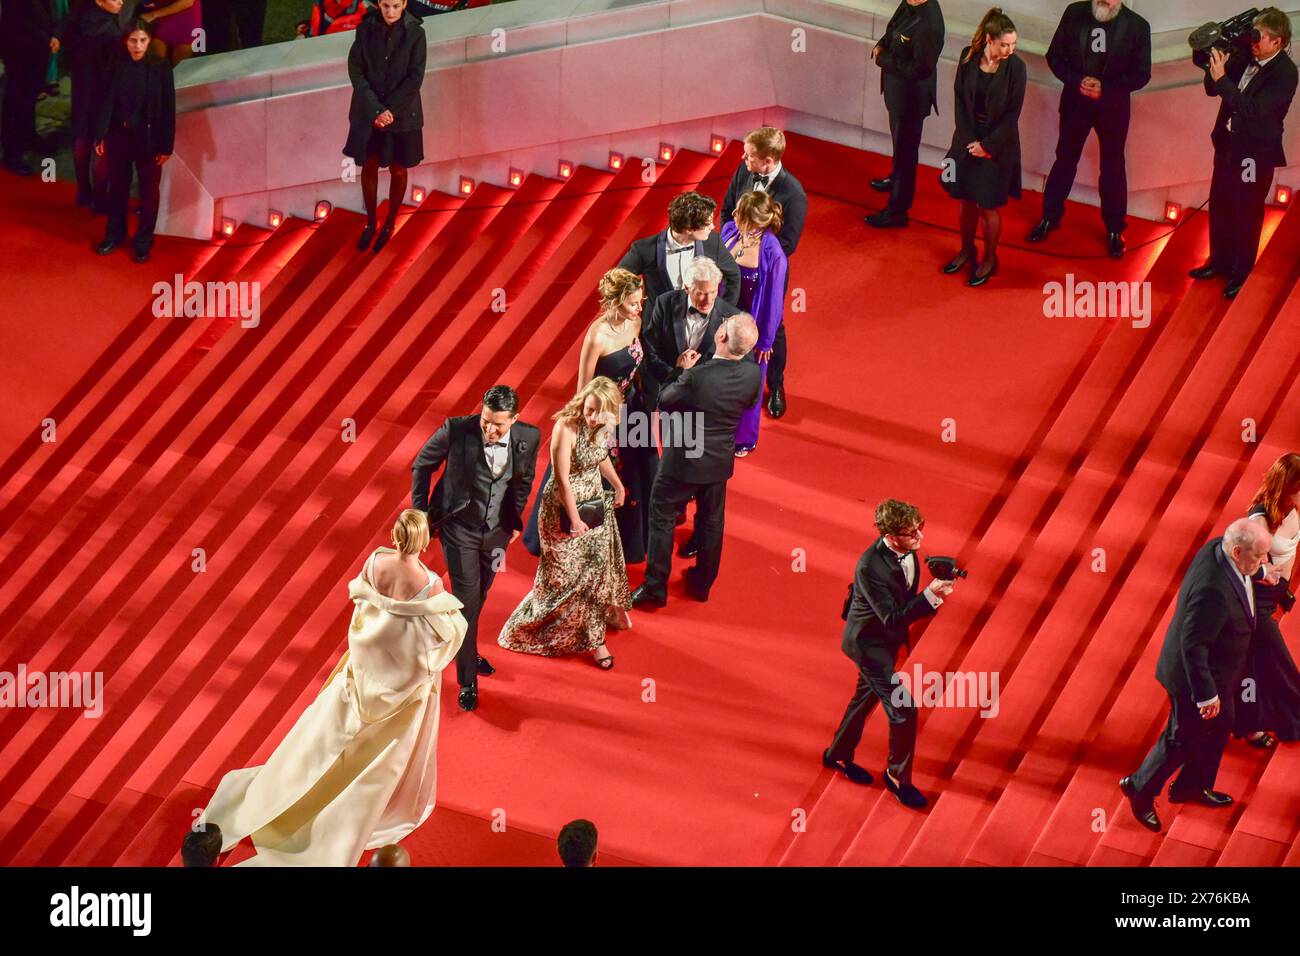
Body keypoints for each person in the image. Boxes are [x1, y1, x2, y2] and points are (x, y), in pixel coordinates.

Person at [201, 510, 468, 865]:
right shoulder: (429, 584)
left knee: (323, 735)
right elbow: (448, 633)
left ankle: (283, 796)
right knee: (385, 748)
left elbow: (362, 604)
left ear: (395, 534)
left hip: (364, 667)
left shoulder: (376, 561)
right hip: (398, 679)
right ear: (424, 540)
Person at [1120, 519, 1273, 833]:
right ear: (1237, 550)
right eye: (1258, 558)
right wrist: (1206, 696)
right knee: (1181, 737)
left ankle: (1192, 785)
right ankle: (1140, 788)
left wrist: (1258, 573)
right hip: (1195, 679)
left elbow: (1243, 568)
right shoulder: (1212, 592)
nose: (1261, 563)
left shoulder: (1218, 548)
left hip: (1220, 672)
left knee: (1221, 724)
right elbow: (1193, 645)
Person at [411, 385, 541, 712]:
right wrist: (422, 514)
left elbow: (523, 481)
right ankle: (467, 680)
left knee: (479, 596)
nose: (490, 429)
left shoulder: (529, 437)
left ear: (515, 419)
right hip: (459, 529)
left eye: (498, 424)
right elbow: (422, 464)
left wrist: (512, 521)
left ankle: (461, 647)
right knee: (468, 602)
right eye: (486, 420)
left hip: (496, 535)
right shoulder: (456, 430)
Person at [824, 500, 954, 810]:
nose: (920, 539)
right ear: (890, 534)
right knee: (904, 709)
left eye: (920, 530)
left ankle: (836, 754)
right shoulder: (870, 566)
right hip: (868, 646)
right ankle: (897, 778)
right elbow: (892, 617)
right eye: (912, 534)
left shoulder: (908, 551)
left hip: (883, 642)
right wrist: (930, 597)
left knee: (864, 698)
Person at [524, 269, 657, 564]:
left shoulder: (635, 322)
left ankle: (630, 538)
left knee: (638, 470)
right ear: (615, 301)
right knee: (593, 473)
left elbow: (635, 368)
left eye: (641, 302)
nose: (639, 308)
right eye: (633, 303)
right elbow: (584, 388)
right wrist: (589, 426)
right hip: (601, 415)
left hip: (629, 408)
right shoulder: (597, 336)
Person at [631, 314, 762, 607]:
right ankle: (702, 584)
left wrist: (680, 370)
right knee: (712, 522)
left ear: (721, 337)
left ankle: (655, 589)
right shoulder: (753, 374)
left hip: (683, 462)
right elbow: (750, 403)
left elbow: (663, 400)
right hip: (719, 462)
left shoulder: (696, 377)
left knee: (662, 517)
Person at [498, 378, 630, 668]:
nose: (593, 417)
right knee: (560, 578)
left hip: (594, 506)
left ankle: (596, 641)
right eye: (589, 409)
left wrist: (617, 485)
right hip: (562, 511)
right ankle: (528, 628)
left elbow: (600, 457)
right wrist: (574, 520)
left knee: (592, 573)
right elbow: (561, 479)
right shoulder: (566, 427)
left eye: (600, 412)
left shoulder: (605, 423)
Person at [1028, 0, 1151, 258]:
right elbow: (1054, 56)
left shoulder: (1138, 26)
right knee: (1065, 159)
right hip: (1076, 102)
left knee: (1113, 166)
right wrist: (1077, 81)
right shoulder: (1075, 12)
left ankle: (1115, 229)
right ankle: (1050, 217)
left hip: (1112, 109)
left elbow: (1142, 74)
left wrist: (1105, 88)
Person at [1190, 8, 1297, 300]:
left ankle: (1240, 274)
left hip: (1254, 154)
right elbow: (1215, 90)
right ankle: (1218, 261)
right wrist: (1213, 67)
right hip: (1227, 144)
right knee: (1221, 204)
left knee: (1246, 211)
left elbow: (1251, 111)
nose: (1252, 41)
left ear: (1277, 42)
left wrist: (1222, 79)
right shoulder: (1246, 55)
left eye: (1259, 36)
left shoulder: (1286, 73)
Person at [640, 257, 742, 560]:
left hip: (707, 413)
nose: (708, 299)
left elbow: (734, 372)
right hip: (673, 403)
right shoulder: (663, 304)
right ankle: (676, 507)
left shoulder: (730, 316)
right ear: (686, 288)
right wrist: (677, 372)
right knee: (673, 458)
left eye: (712, 292)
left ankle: (699, 534)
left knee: (704, 479)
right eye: (700, 293)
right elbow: (650, 348)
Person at [720, 127, 806, 420]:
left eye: (750, 157)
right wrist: (732, 247)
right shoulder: (743, 171)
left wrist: (756, 254)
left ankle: (776, 385)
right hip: (734, 264)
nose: (743, 160)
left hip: (766, 272)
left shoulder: (793, 192)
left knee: (772, 324)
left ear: (768, 161)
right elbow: (727, 210)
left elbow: (788, 243)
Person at [939, 8, 1024, 287]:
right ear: (989, 40)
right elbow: (960, 104)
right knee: (965, 198)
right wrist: (969, 143)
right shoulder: (968, 57)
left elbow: (1013, 115)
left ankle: (989, 258)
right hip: (968, 139)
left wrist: (987, 147)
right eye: (1004, 44)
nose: (1010, 50)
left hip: (998, 146)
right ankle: (966, 250)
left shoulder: (1016, 68)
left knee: (987, 204)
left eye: (1013, 44)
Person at [344, 0, 427, 254]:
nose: (390, 12)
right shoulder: (365, 29)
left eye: (395, 6)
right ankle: (371, 222)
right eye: (386, 6)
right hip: (370, 113)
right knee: (369, 165)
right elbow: (356, 71)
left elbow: (415, 77)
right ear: (379, 4)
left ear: (403, 4)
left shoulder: (416, 33)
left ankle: (390, 223)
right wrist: (377, 110)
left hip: (401, 115)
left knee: (399, 169)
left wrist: (390, 111)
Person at [93, 19, 175, 265]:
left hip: (148, 139)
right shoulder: (116, 63)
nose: (137, 46)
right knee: (117, 187)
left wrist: (166, 145)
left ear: (149, 41)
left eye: (142, 40)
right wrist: (101, 134)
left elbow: (169, 108)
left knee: (149, 192)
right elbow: (106, 101)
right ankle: (114, 234)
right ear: (125, 41)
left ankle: (143, 242)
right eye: (132, 40)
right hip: (119, 135)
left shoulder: (160, 67)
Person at [1234, 452, 1300, 747]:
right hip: (1254, 601)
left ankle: (1251, 724)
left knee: (1256, 663)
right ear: (1289, 486)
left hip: (1273, 594)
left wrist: (1284, 588)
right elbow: (1244, 565)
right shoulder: (1260, 519)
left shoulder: (1294, 507)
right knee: (1277, 661)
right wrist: (1268, 575)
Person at [866, 0, 945, 228]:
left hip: (911, 99)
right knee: (900, 146)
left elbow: (919, 70)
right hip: (898, 93)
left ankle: (898, 211)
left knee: (906, 153)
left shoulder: (930, 24)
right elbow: (893, 30)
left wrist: (882, 58)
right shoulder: (911, 2)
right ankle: (896, 180)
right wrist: (881, 45)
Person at [720, 191, 786, 456]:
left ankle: (744, 437)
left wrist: (766, 340)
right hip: (723, 318)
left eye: (740, 214)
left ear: (755, 221)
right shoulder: (728, 231)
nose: (733, 216)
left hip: (751, 323)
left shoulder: (773, 251)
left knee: (749, 382)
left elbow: (774, 300)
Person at [617, 190, 741, 306]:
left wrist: (723, 311)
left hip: (700, 324)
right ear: (688, 229)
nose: (713, 227)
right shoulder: (644, 249)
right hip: (657, 325)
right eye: (707, 224)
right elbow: (617, 281)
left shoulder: (713, 242)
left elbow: (733, 276)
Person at [65, 0, 123, 212]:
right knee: (102, 145)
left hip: (82, 90)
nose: (121, 1)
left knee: (81, 139)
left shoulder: (79, 20)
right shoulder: (111, 32)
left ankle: (83, 192)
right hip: (104, 94)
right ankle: (99, 200)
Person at [0, 0, 61, 176]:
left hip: (41, 43)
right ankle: (12, 152)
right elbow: (17, 18)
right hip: (20, 44)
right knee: (16, 99)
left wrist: (55, 33)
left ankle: (28, 135)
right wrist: (46, 37)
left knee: (30, 95)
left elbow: (50, 6)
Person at [135, 0, 202, 65]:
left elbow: (187, 2)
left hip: (186, 16)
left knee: (180, 67)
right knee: (155, 62)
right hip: (160, 13)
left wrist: (152, 15)